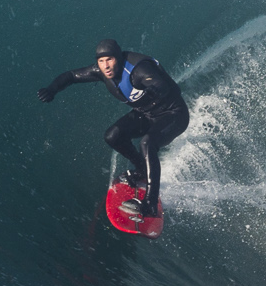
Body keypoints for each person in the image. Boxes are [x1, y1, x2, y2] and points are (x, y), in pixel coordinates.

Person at [37, 37, 189, 220]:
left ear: (119, 58)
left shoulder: (139, 69)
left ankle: (149, 205)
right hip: (148, 114)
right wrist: (52, 89)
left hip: (174, 115)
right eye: (101, 61)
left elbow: (166, 87)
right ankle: (142, 170)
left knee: (147, 143)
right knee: (112, 136)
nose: (106, 65)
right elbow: (71, 76)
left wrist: (154, 91)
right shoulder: (101, 71)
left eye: (110, 59)